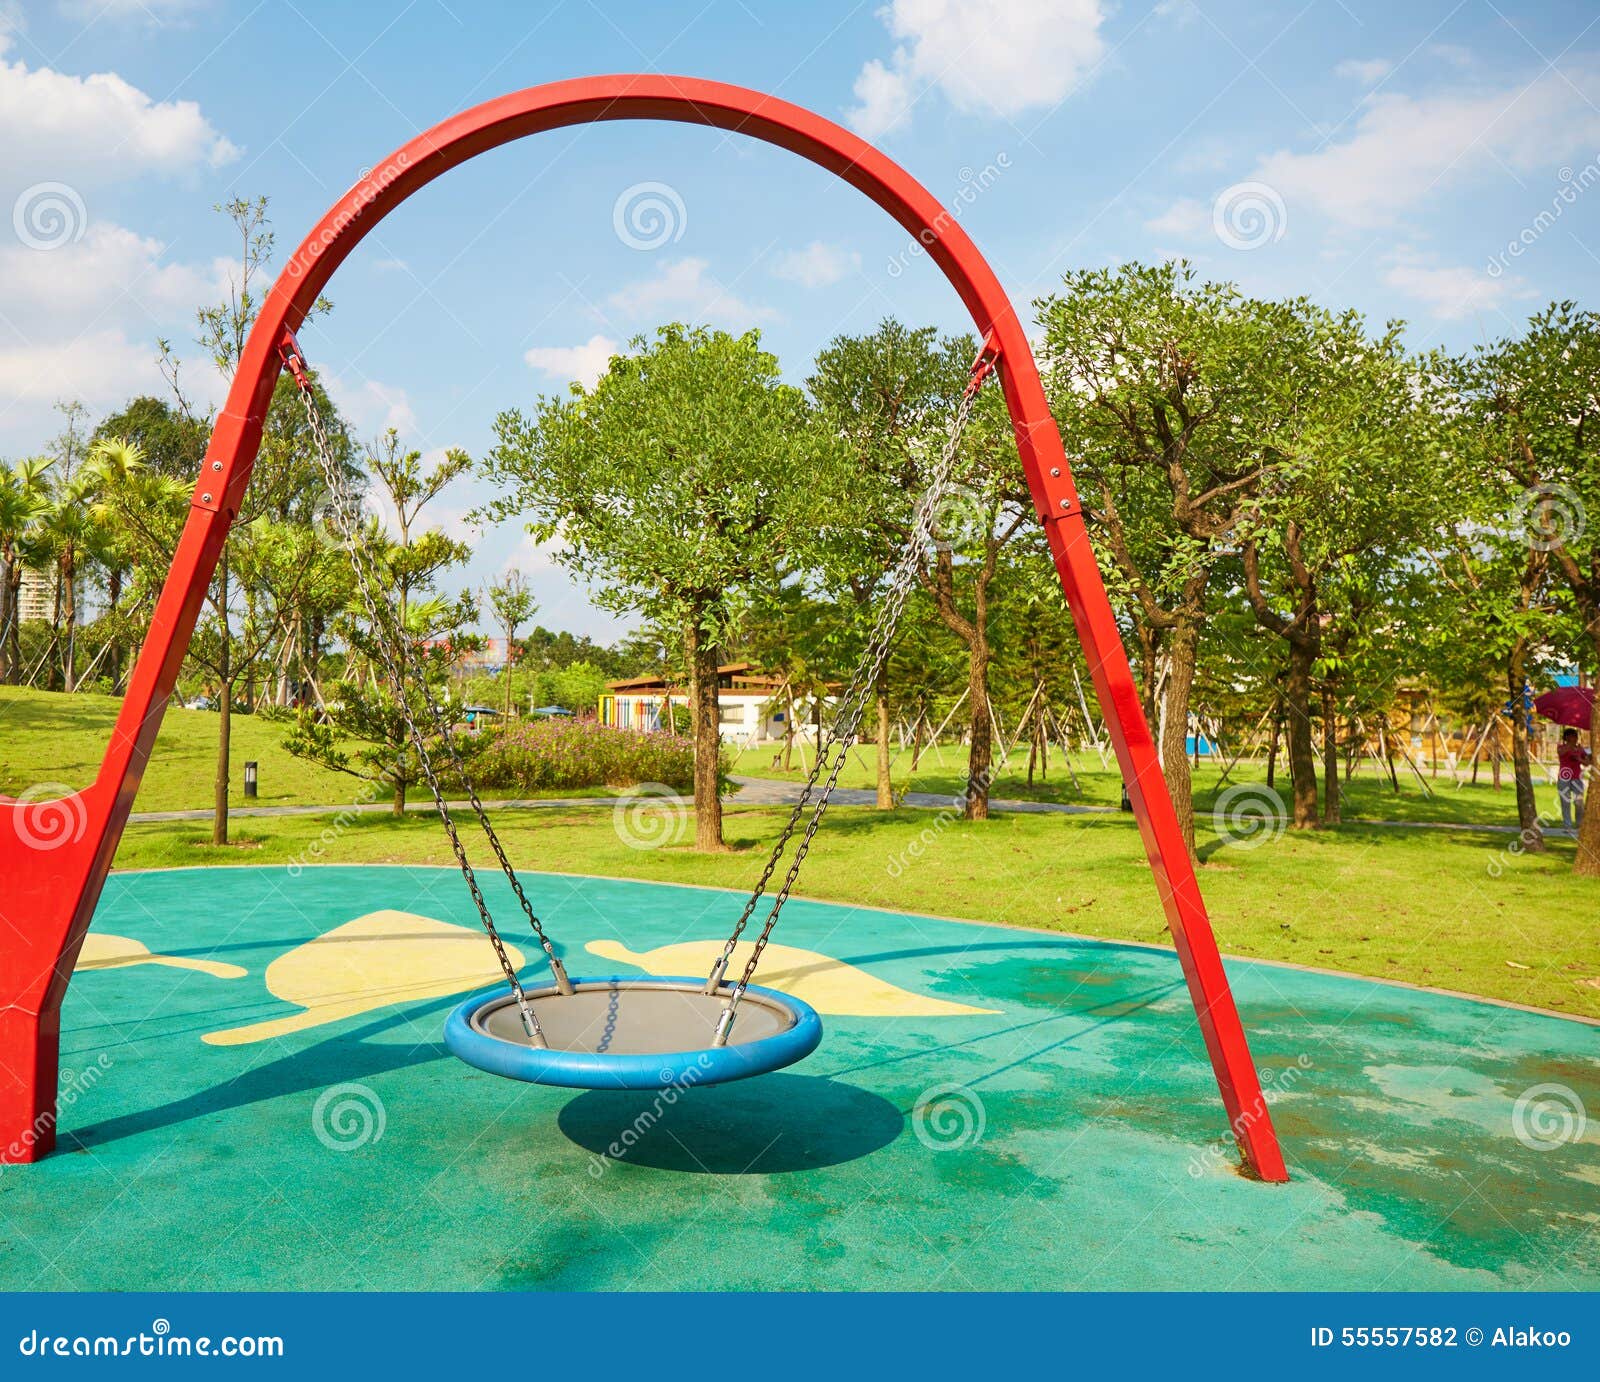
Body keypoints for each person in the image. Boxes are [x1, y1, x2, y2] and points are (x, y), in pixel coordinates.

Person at [1556, 727, 1591, 832]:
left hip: (1577, 778)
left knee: (1578, 801)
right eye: (1573, 736)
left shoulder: (1580, 749)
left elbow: (1587, 763)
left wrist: (1580, 759)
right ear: (1567, 737)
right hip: (1564, 778)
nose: (1575, 738)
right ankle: (1568, 826)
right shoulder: (1561, 747)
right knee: (1565, 802)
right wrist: (1570, 745)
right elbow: (1561, 753)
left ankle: (1580, 824)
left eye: (1576, 736)